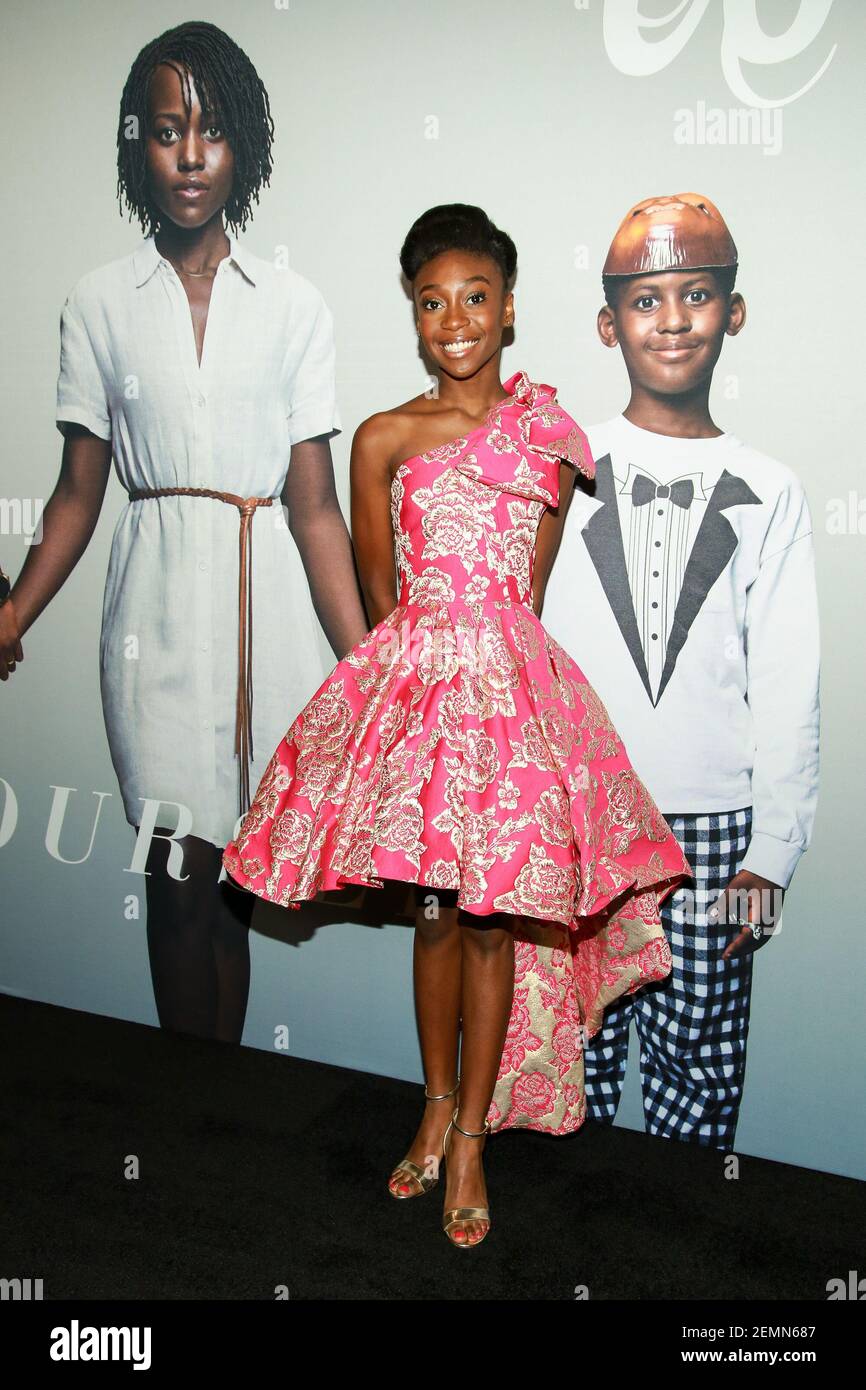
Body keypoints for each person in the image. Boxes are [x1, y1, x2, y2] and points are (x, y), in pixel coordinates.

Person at [221, 203, 692, 1248]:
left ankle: (472, 1134)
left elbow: (526, 584)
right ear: (413, 314)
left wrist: (489, 681)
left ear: (508, 306)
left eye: (475, 296)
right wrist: (420, 706)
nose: (455, 318)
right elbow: (385, 593)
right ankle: (432, 1102)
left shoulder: (547, 439)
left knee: (487, 919)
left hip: (514, 703)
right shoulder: (384, 437)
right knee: (434, 914)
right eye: (432, 301)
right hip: (423, 696)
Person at [0, 21, 368, 1043]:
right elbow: (78, 491)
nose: (190, 154)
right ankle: (181, 1100)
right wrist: (13, 611)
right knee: (174, 877)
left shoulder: (294, 305)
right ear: (138, 147)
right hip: (151, 619)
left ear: (241, 144)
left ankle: (225, 1118)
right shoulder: (97, 303)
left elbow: (314, 508)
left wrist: (368, 667)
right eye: (165, 132)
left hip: (268, 620)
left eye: (209, 130)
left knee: (237, 886)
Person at [542, 193, 821, 1149]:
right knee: (567, 1063)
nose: (672, 320)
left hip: (712, 833)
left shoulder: (773, 489)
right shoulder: (559, 465)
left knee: (697, 1085)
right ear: (607, 321)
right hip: (579, 818)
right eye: (646, 299)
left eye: (697, 294)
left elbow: (790, 679)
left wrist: (771, 855)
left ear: (733, 311)